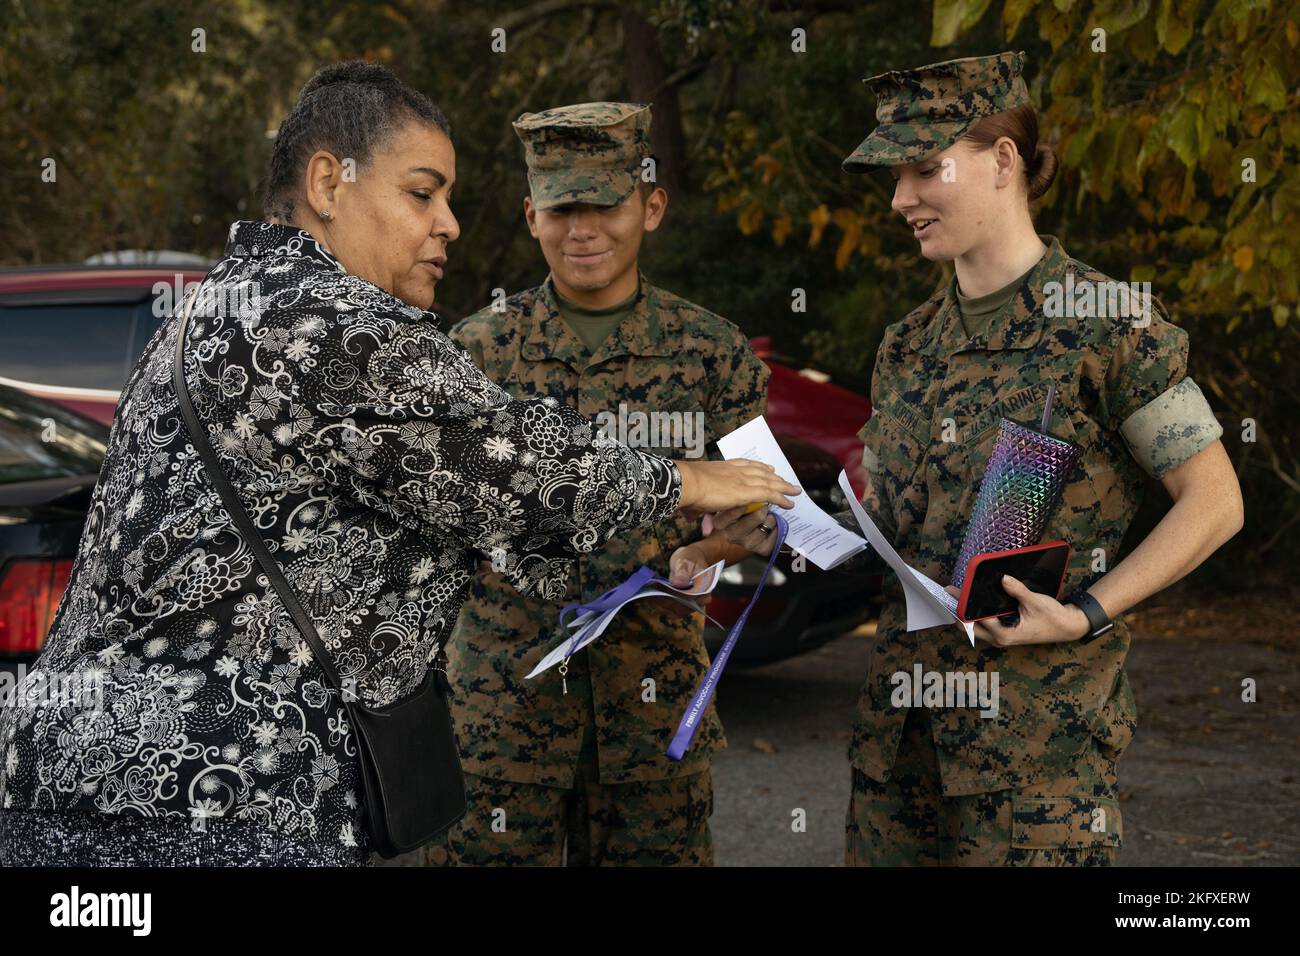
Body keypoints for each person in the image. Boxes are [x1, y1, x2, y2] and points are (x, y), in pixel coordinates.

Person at [0, 62, 798, 867]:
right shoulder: (345, 327)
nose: (449, 223)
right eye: (423, 193)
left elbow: (444, 504)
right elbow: (518, 469)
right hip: (225, 794)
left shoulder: (210, 307)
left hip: (69, 782)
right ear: (327, 183)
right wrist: (685, 479)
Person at [713, 51, 1242, 866]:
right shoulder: (910, 345)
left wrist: (1088, 611)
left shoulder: (1108, 323)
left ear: (1003, 161)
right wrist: (781, 530)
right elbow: (894, 535)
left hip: (1034, 768)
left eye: (926, 168)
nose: (900, 199)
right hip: (898, 750)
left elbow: (1214, 500)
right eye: (894, 177)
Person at [430, 102, 763, 867]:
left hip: (653, 722)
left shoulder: (713, 353)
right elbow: (439, 517)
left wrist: (713, 547)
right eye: (561, 207)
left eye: (604, 204)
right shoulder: (475, 352)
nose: (583, 229)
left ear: (649, 207)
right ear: (530, 215)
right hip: (502, 720)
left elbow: (762, 512)